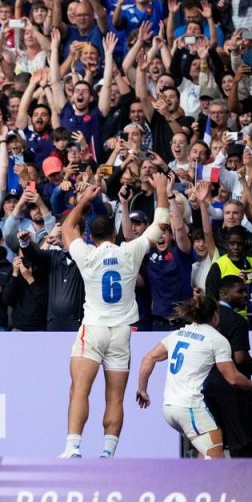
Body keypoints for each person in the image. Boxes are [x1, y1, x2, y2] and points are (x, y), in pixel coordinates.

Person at [59, 177, 169, 459]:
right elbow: (160, 227)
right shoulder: (129, 251)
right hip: (121, 332)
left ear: (91, 237)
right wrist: (159, 191)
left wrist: (84, 199)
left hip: (94, 328)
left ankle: (73, 447)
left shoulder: (86, 255)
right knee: (115, 397)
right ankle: (108, 452)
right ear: (114, 233)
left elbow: (67, 229)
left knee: (79, 390)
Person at [136, 295, 252, 459]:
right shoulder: (216, 340)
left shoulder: (179, 334)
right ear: (215, 315)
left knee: (208, 443)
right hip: (189, 407)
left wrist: (142, 389)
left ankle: (194, 481)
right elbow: (233, 378)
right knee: (215, 456)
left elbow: (148, 358)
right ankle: (195, 484)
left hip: (169, 408)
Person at [203, 276, 252, 457]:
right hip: (234, 392)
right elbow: (240, 360)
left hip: (207, 389)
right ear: (224, 294)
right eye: (240, 291)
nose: (246, 295)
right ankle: (242, 483)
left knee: (211, 441)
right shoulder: (237, 321)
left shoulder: (205, 318)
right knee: (242, 443)